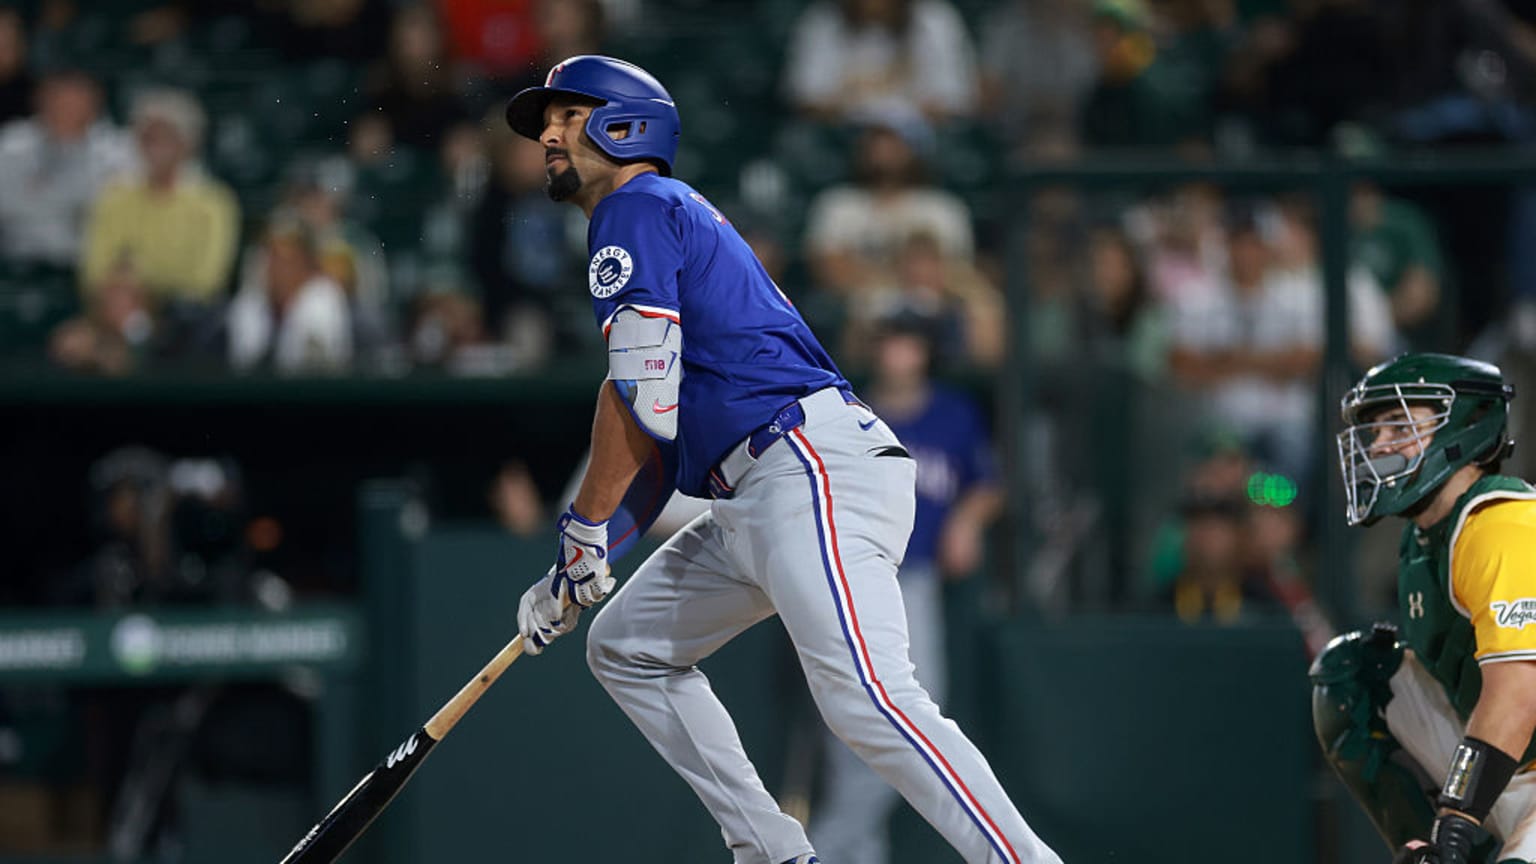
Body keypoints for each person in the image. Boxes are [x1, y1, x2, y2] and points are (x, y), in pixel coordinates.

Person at [504, 55, 1061, 864]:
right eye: (544, 122)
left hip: (804, 461)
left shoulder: (636, 204)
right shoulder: (649, 214)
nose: (548, 134)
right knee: (626, 647)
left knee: (867, 699)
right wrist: (580, 558)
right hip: (756, 483)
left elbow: (639, 400)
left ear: (625, 123)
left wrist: (586, 527)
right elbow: (655, 433)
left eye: (567, 113)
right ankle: (773, 852)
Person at [1314, 352, 1536, 864]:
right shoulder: (1424, 537)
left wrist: (1455, 823)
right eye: (1374, 429)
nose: (1378, 445)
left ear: (1465, 425)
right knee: (1354, 674)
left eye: (1398, 424)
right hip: (1514, 766)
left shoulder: (1499, 524)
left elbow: (1519, 693)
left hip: (1522, 739)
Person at [808, 313, 1004, 864]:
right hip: (849, 578)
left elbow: (987, 484)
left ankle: (825, 849)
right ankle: (836, 850)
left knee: (913, 715)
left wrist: (967, 520)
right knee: (855, 724)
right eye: (889, 340)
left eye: (908, 342)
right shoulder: (848, 412)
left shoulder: (953, 413)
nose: (898, 353)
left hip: (914, 578)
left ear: (924, 351)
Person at [0, 69, 135, 267]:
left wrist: (39, 198)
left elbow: (117, 218)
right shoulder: (11, 144)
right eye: (58, 99)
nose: (65, 108)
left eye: (75, 101)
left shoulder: (119, 153)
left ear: (95, 103)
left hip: (87, 267)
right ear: (40, 100)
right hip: (15, 263)